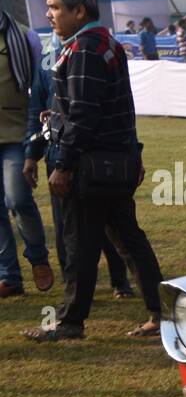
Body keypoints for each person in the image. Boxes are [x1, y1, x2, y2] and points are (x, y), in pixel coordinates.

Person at [23, 0, 163, 342]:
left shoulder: (83, 48)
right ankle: (162, 313)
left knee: (79, 244)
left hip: (90, 166)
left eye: (55, 7)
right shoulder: (105, 43)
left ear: (78, 10)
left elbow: (84, 117)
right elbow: (100, 110)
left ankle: (69, 322)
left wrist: (63, 164)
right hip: (114, 163)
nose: (49, 14)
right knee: (129, 240)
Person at [24, 31, 135, 304]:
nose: (51, 16)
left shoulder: (92, 51)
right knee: (67, 229)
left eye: (56, 8)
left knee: (110, 225)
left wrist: (133, 150)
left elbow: (119, 108)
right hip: (58, 154)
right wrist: (31, 154)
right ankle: (73, 288)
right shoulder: (47, 61)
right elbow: (36, 108)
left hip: (95, 157)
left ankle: (120, 280)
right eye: (49, 9)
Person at [0, 0, 54, 298]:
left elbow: (40, 85)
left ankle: (37, 258)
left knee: (17, 199)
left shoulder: (24, 37)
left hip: (16, 134)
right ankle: (9, 276)